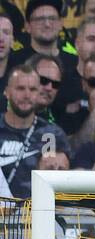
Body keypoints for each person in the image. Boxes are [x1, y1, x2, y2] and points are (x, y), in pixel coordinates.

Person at [0, 64, 69, 197]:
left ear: (38, 94)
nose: (26, 95)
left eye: (32, 89)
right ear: (6, 91)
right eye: (20, 88)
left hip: (35, 213)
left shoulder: (51, 134)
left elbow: (60, 183)